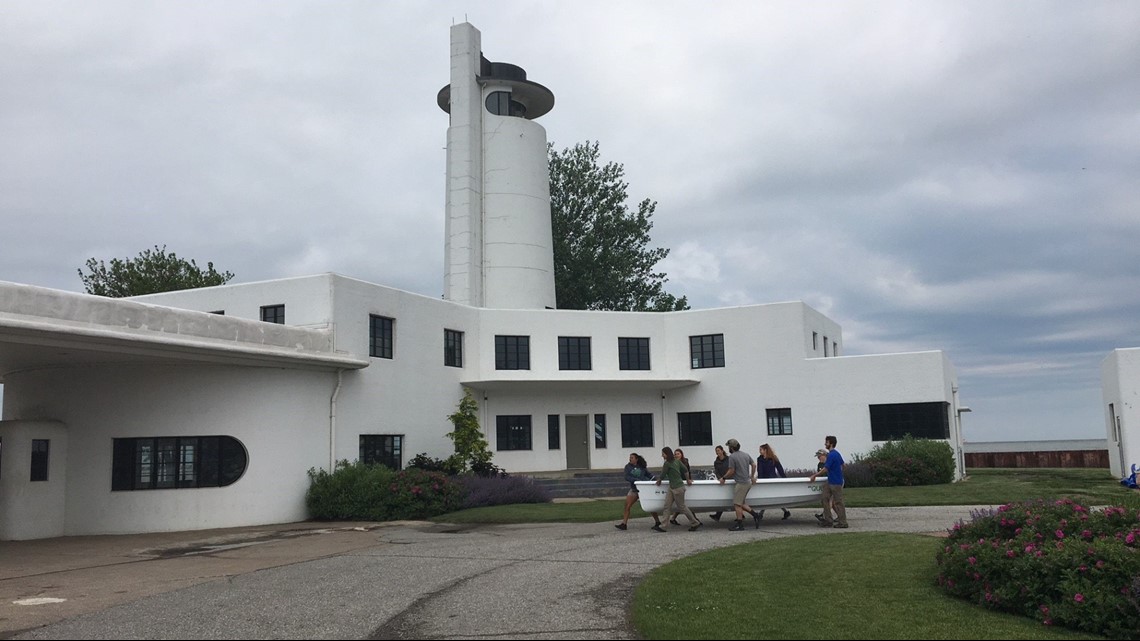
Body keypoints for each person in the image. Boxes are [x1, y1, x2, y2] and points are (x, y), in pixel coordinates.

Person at [654, 446, 702, 532]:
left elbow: (663, 474)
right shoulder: (677, 462)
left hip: (677, 488)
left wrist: (659, 480)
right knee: (667, 506)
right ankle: (663, 525)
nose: (662, 456)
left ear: (667, 454)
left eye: (663, 454)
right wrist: (688, 479)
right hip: (672, 487)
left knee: (682, 507)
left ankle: (695, 523)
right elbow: (686, 470)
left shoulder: (667, 463)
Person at [720, 438, 761, 531]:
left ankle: (740, 525)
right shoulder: (745, 454)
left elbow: (731, 471)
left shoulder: (732, 457)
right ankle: (756, 515)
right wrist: (752, 476)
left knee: (737, 504)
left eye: (729, 447)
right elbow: (754, 465)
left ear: (732, 447)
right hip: (747, 482)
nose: (728, 449)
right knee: (741, 503)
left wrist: (723, 478)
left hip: (741, 483)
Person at [809, 435, 848, 528]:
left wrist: (815, 475)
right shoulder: (837, 454)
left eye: (826, 442)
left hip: (835, 482)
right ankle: (828, 520)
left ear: (831, 444)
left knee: (838, 502)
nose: (825, 444)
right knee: (824, 498)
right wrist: (838, 471)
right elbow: (843, 465)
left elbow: (825, 469)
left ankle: (843, 522)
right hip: (830, 481)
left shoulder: (832, 455)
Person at [616, 453, 661, 530]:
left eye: (632, 458)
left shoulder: (641, 467)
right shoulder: (628, 467)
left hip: (643, 489)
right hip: (634, 489)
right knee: (627, 505)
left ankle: (657, 521)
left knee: (649, 506)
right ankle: (624, 524)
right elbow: (627, 477)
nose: (630, 459)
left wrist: (655, 479)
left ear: (636, 459)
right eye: (630, 457)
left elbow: (648, 474)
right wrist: (635, 480)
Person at [756, 443, 791, 520]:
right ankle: (786, 511)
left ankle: (761, 514)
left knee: (772, 497)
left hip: (772, 480)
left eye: (761, 450)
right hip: (764, 480)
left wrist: (785, 478)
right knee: (766, 497)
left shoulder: (773, 458)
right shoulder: (759, 459)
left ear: (765, 450)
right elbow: (759, 470)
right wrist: (759, 480)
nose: (760, 451)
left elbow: (780, 469)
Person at [669, 448, 693, 525]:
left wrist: (689, 479)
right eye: (675, 454)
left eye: (678, 454)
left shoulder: (685, 462)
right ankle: (694, 520)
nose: (676, 455)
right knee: (682, 504)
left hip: (684, 481)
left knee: (683, 503)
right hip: (678, 483)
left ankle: (673, 518)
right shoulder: (673, 463)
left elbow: (687, 471)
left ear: (681, 454)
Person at [708, 445, 730, 521]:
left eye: (718, 450)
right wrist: (720, 478)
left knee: (731, 498)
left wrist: (727, 477)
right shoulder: (716, 462)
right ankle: (718, 515)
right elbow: (716, 471)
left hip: (730, 479)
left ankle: (718, 515)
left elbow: (731, 469)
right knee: (723, 498)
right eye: (716, 451)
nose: (718, 452)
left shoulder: (729, 459)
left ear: (722, 450)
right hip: (722, 480)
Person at [813, 448, 829, 521]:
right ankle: (839, 516)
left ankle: (825, 515)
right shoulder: (820, 464)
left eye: (819, 456)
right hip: (825, 483)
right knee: (832, 502)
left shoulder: (828, 462)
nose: (818, 458)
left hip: (832, 482)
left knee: (829, 500)